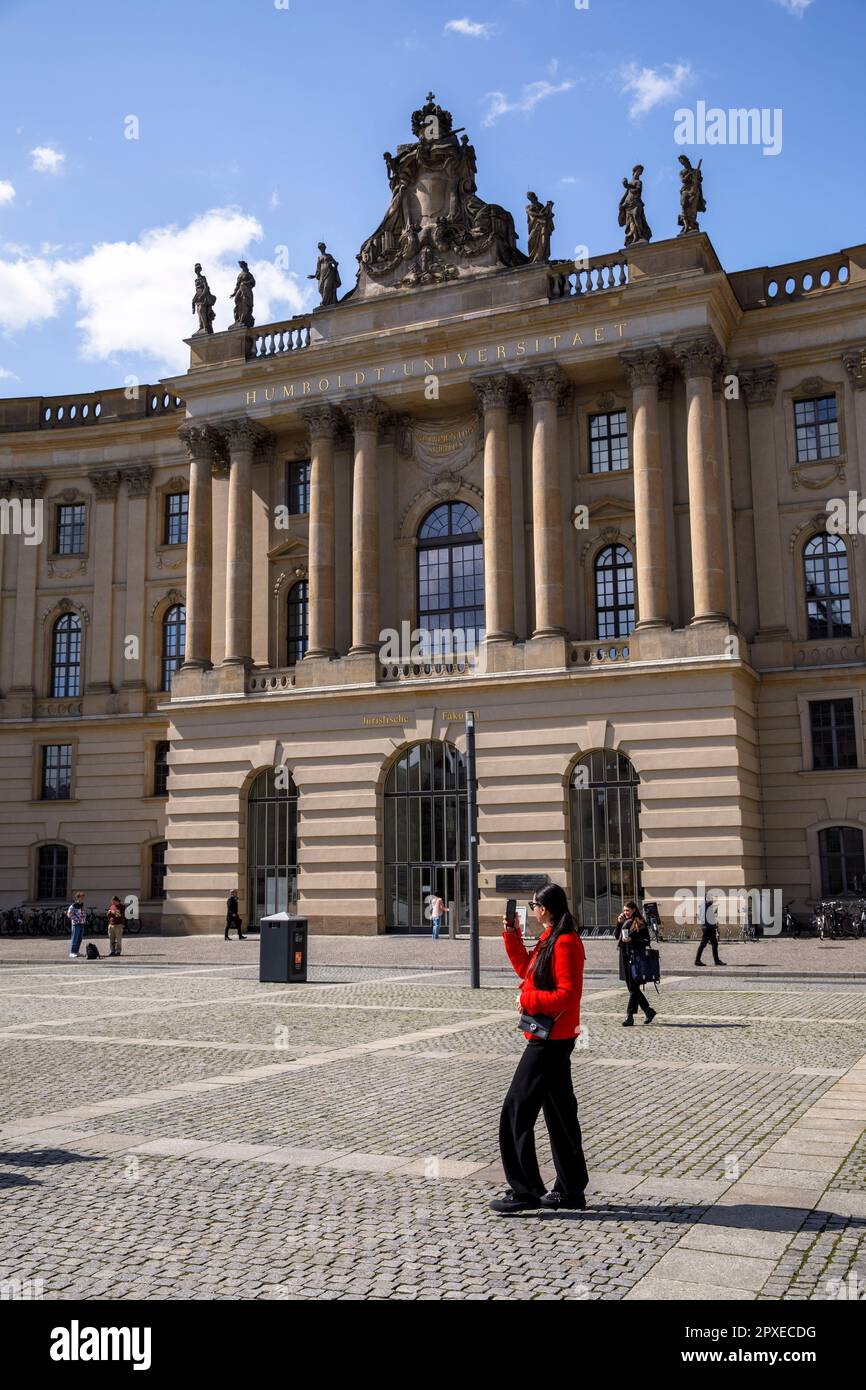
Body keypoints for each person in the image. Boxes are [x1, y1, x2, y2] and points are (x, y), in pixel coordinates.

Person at [491, 883, 589, 1215]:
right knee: (560, 1112)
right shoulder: (550, 938)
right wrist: (512, 937)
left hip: (551, 1039)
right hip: (550, 1036)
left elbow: (568, 995)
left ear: (544, 909)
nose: (532, 910)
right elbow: (527, 971)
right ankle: (571, 1189)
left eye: (534, 905)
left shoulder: (564, 943)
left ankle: (525, 1189)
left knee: (516, 1108)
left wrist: (526, 1000)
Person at [615, 901, 658, 1026]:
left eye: (628, 910)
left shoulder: (639, 922)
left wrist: (632, 939)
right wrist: (619, 923)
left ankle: (629, 1016)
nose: (625, 912)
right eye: (624, 910)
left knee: (634, 988)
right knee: (631, 988)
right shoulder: (625, 922)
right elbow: (616, 936)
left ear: (634, 910)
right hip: (625, 957)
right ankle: (648, 1011)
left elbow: (646, 941)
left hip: (636, 958)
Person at [695, 893, 726, 967]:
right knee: (704, 944)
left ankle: (716, 960)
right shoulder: (708, 904)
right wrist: (714, 925)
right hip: (708, 927)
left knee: (714, 943)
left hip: (705, 926)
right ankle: (697, 960)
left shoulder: (702, 904)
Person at [67, 890, 86, 959]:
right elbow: (69, 914)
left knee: (79, 939)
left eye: (83, 897)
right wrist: (77, 919)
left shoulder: (81, 905)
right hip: (76, 924)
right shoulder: (73, 905)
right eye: (82, 897)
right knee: (74, 938)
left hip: (82, 923)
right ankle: (72, 952)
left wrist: (84, 919)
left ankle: (76, 951)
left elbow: (82, 913)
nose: (83, 899)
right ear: (78, 898)